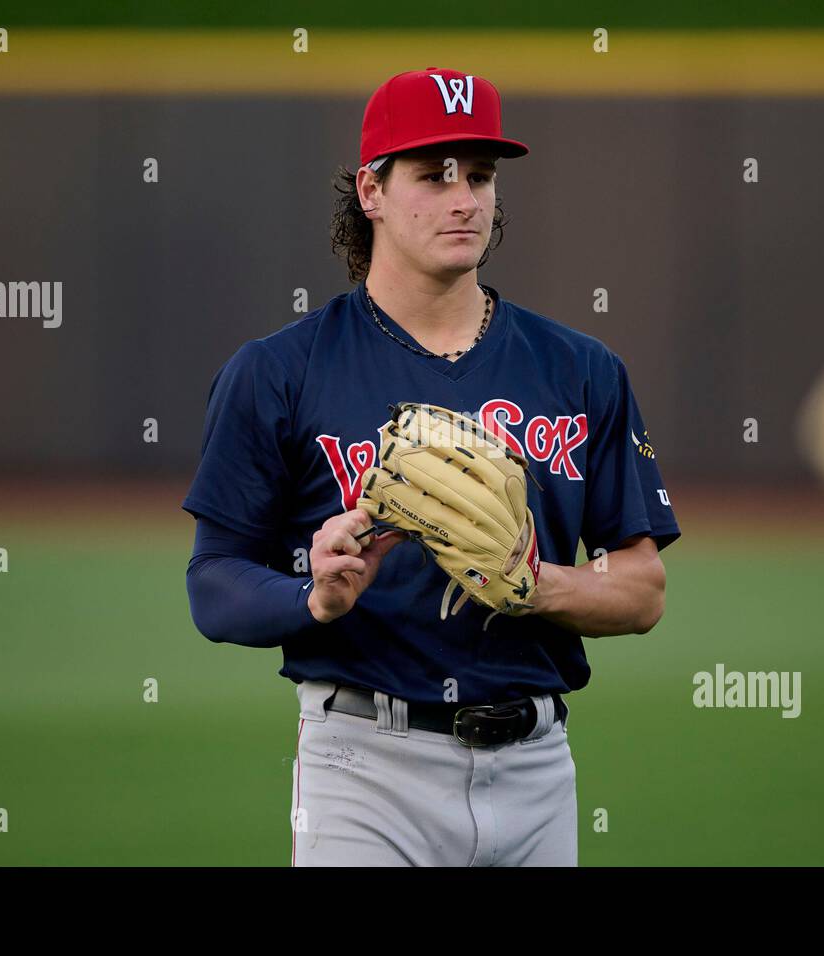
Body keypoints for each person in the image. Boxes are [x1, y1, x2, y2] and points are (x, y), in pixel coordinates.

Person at [183, 67, 680, 866]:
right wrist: (311, 597)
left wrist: (531, 582)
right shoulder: (280, 372)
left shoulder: (582, 369)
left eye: (480, 176)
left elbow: (643, 590)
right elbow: (213, 583)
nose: (465, 198)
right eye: (435, 174)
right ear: (371, 190)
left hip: (536, 768)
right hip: (364, 767)